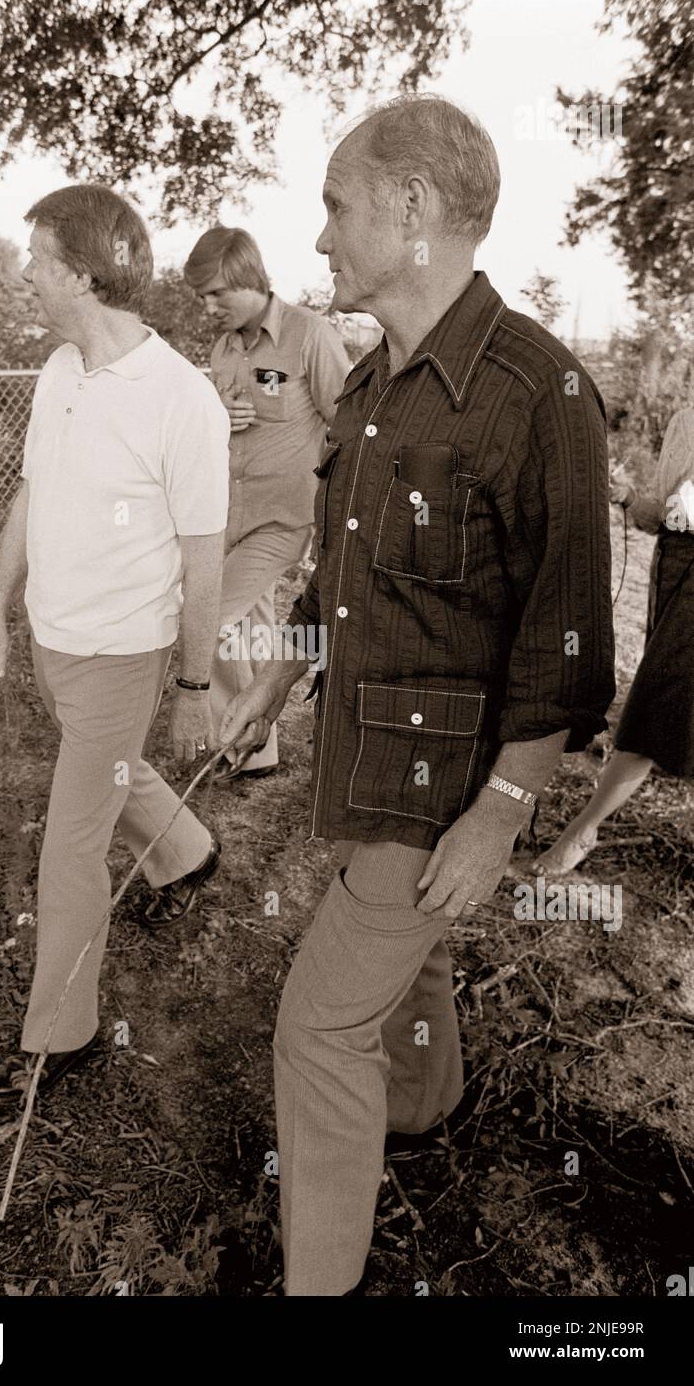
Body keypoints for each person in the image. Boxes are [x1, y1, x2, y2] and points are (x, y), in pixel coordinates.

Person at [220, 94, 617, 1296]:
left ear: (409, 208)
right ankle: (427, 1097)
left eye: (335, 205)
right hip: (366, 749)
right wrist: (278, 683)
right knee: (411, 959)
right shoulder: (371, 386)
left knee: (318, 1027)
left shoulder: (540, 394)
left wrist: (501, 809)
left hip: (442, 787)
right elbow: (339, 583)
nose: (322, 236)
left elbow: (566, 643)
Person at [0, 185, 230, 1098]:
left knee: (71, 841)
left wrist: (196, 690)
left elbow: (205, 560)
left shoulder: (181, 398)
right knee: (114, 768)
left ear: (81, 273)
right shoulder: (58, 372)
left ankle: (62, 1031)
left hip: (124, 654)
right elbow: (33, 495)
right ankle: (190, 852)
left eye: (37, 257)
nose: (25, 272)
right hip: (53, 639)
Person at [183, 227, 350, 780]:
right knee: (246, 630)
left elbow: (348, 426)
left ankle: (217, 742)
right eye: (201, 297)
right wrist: (217, 414)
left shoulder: (309, 334)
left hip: (282, 518)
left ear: (250, 280)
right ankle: (256, 751)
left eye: (217, 295)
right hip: (226, 514)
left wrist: (339, 516)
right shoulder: (223, 347)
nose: (209, 307)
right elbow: (219, 427)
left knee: (205, 618)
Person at [531, 406, 694, 875]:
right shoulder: (685, 421)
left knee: (654, 704)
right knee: (662, 700)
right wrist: (624, 496)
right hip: (676, 571)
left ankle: (582, 830)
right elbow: (662, 514)